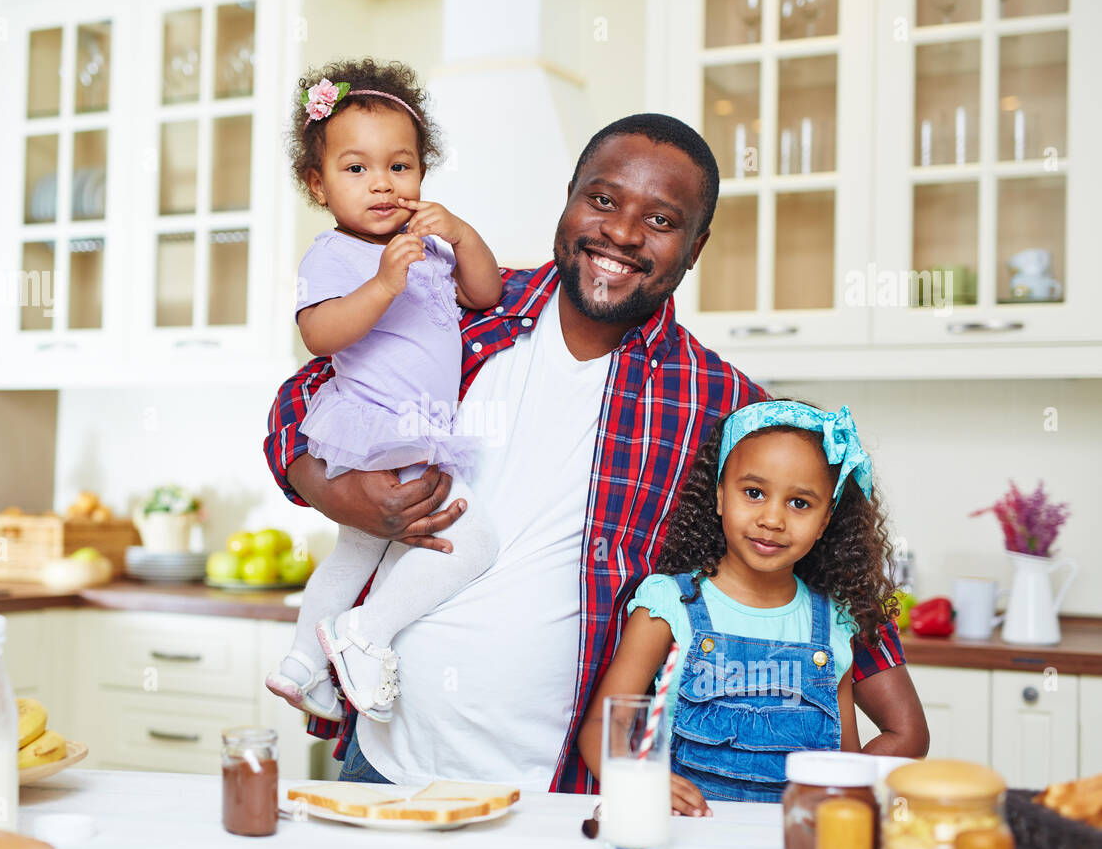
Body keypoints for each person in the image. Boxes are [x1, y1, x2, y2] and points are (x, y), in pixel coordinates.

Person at [264, 112, 928, 793]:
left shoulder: (717, 401)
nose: (621, 232)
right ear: (571, 200)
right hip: (385, 759)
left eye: (661, 220)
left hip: (563, 788)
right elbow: (304, 398)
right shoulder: (461, 302)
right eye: (603, 200)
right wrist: (334, 490)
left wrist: (886, 690)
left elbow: (816, 544)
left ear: (696, 247)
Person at [264, 59, 503, 723]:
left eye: (400, 167)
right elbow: (319, 333)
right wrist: (381, 287)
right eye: (356, 168)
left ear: (423, 174)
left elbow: (485, 292)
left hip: (414, 425)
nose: (382, 184)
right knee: (472, 543)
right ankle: (364, 635)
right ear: (318, 185)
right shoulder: (332, 256)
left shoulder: (427, 245)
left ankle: (299, 666)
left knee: (356, 550)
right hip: (377, 426)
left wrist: (460, 234)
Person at [578, 399, 909, 810]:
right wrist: (638, 780)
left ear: (826, 520)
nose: (772, 518)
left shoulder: (836, 622)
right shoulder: (670, 601)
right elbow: (601, 726)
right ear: (719, 496)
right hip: (690, 836)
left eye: (800, 503)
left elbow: (843, 766)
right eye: (753, 493)